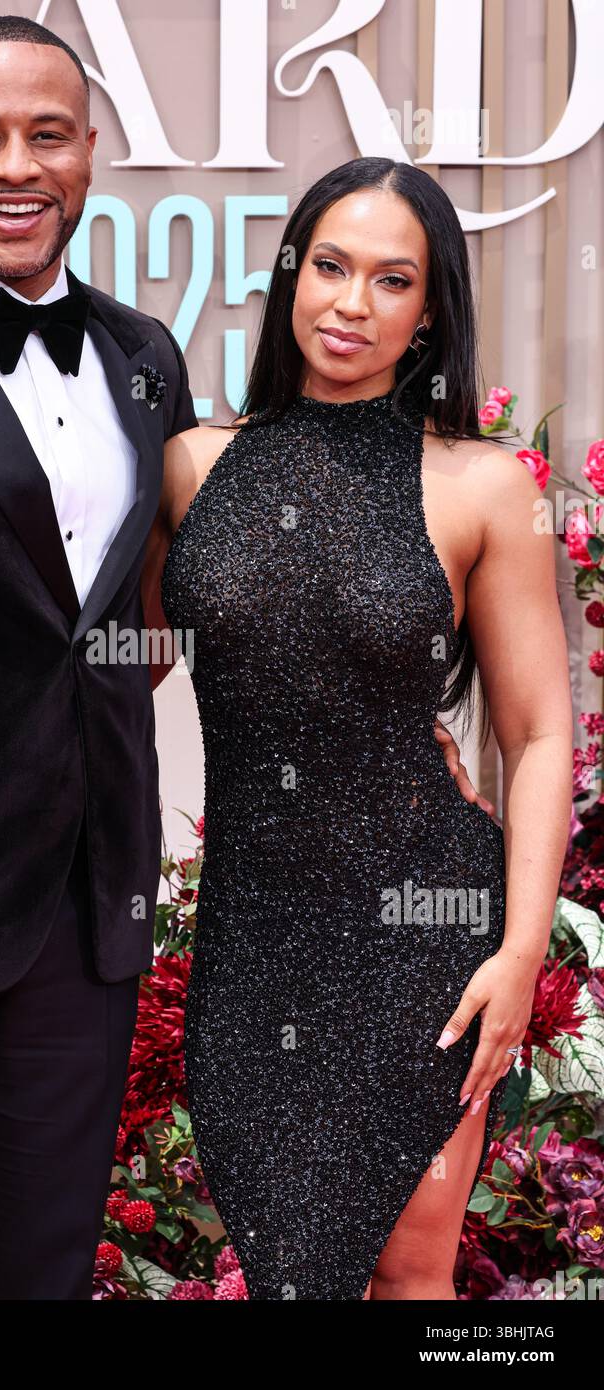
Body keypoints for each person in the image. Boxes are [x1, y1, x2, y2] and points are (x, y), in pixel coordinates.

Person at [0, 18, 477, 1299]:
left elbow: (182, 604)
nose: (16, 166)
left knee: (44, 1273)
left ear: (89, 152)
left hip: (83, 924)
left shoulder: (138, 358)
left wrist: (360, 712)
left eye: (46, 135)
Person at [143, 157, 573, 1300]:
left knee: (410, 1266)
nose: (350, 303)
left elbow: (536, 736)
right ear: (289, 274)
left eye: (392, 281)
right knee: (287, 1271)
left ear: (429, 310)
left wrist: (520, 949)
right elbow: (105, 673)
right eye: (329, 267)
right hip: (254, 938)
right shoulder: (192, 466)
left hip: (421, 924)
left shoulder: (486, 487)